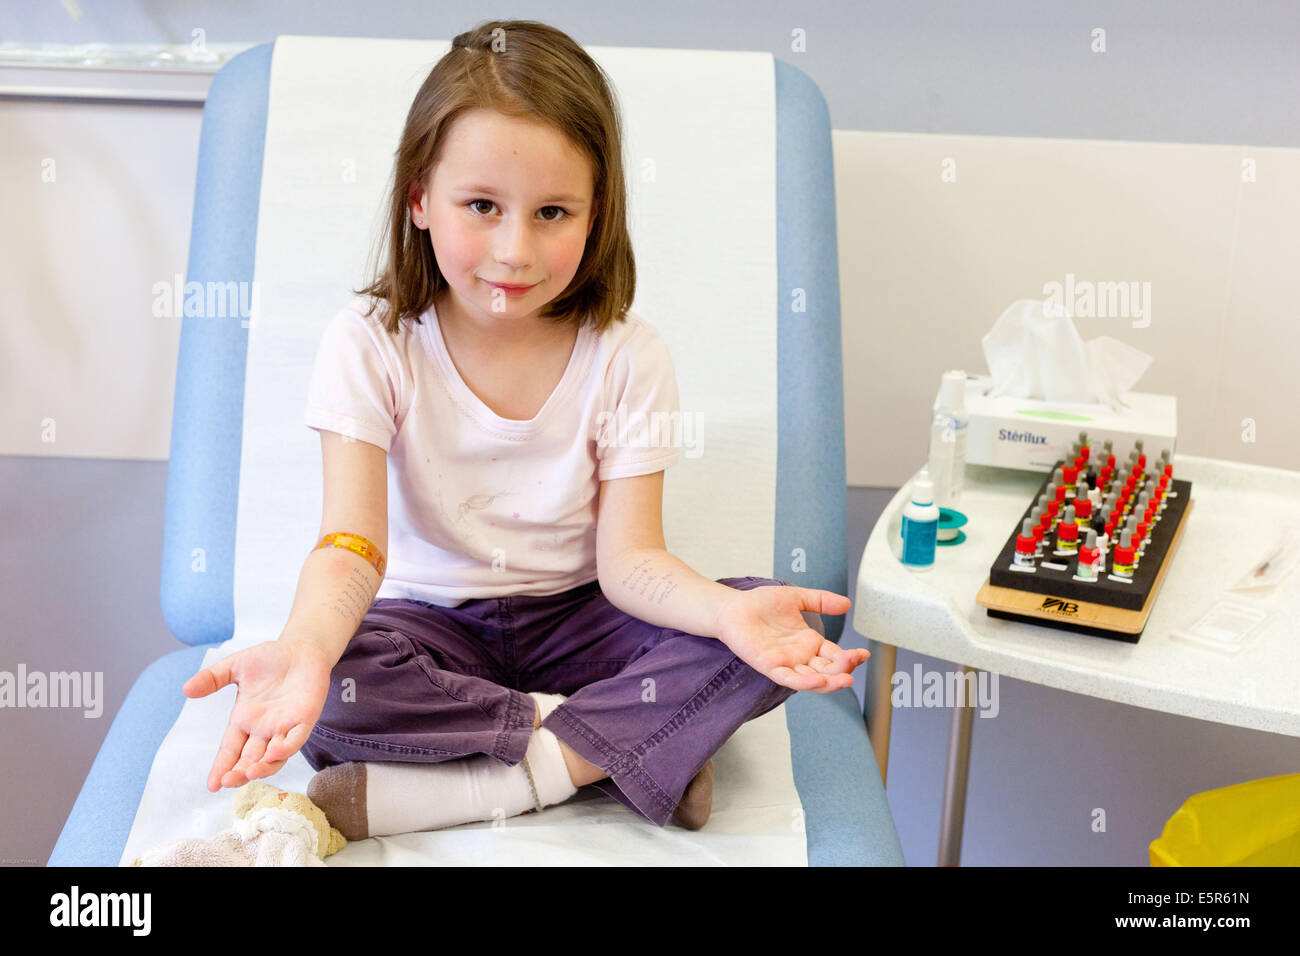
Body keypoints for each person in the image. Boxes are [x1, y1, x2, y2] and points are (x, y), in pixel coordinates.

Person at [182, 18, 869, 841]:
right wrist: (303, 647)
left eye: (552, 212)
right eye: (482, 206)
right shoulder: (370, 341)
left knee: (756, 624)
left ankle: (497, 778)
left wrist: (724, 614)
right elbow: (351, 548)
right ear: (419, 200)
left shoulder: (628, 354)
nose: (515, 250)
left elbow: (633, 563)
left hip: (584, 617)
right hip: (431, 628)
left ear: (597, 212)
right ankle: (610, 748)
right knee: (336, 689)